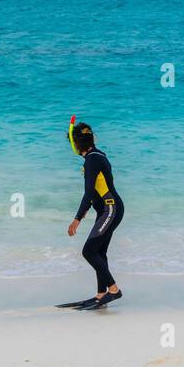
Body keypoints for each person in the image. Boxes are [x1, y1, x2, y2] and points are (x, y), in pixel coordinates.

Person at [65, 119, 125, 310]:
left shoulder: (92, 159)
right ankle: (101, 295)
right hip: (109, 209)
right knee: (99, 252)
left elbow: (89, 193)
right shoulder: (97, 156)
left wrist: (77, 219)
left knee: (89, 251)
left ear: (75, 145)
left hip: (110, 209)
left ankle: (113, 290)